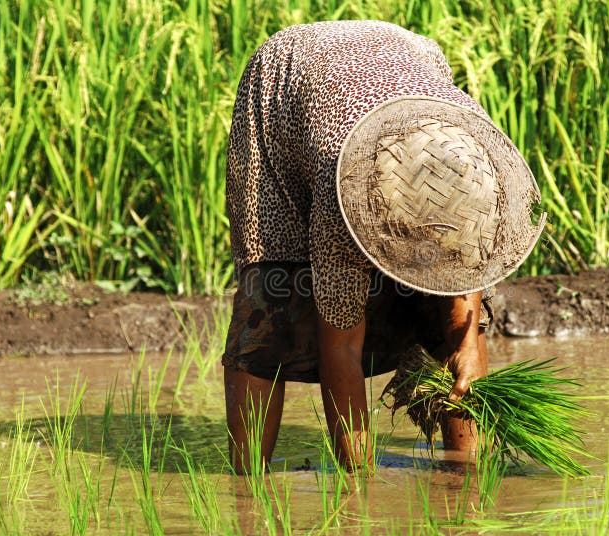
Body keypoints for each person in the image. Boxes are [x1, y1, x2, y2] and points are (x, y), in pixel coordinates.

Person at [223, 20, 544, 472]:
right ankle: (246, 483)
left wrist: (467, 341)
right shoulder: (347, 194)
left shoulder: (476, 161)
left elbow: (468, 265)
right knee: (271, 295)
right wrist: (359, 486)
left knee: (451, 320)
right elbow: (342, 347)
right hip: (283, 92)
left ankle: (466, 474)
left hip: (409, 61)